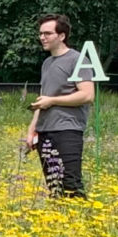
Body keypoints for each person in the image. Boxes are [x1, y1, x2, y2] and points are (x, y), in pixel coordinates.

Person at [23, 13, 94, 197]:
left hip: (67, 130)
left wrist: (52, 101)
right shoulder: (47, 63)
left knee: (70, 183)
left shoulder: (78, 60)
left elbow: (87, 95)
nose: (42, 37)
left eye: (47, 33)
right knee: (54, 186)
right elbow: (43, 99)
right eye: (40, 33)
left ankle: (81, 221)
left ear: (61, 36)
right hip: (45, 130)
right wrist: (32, 130)